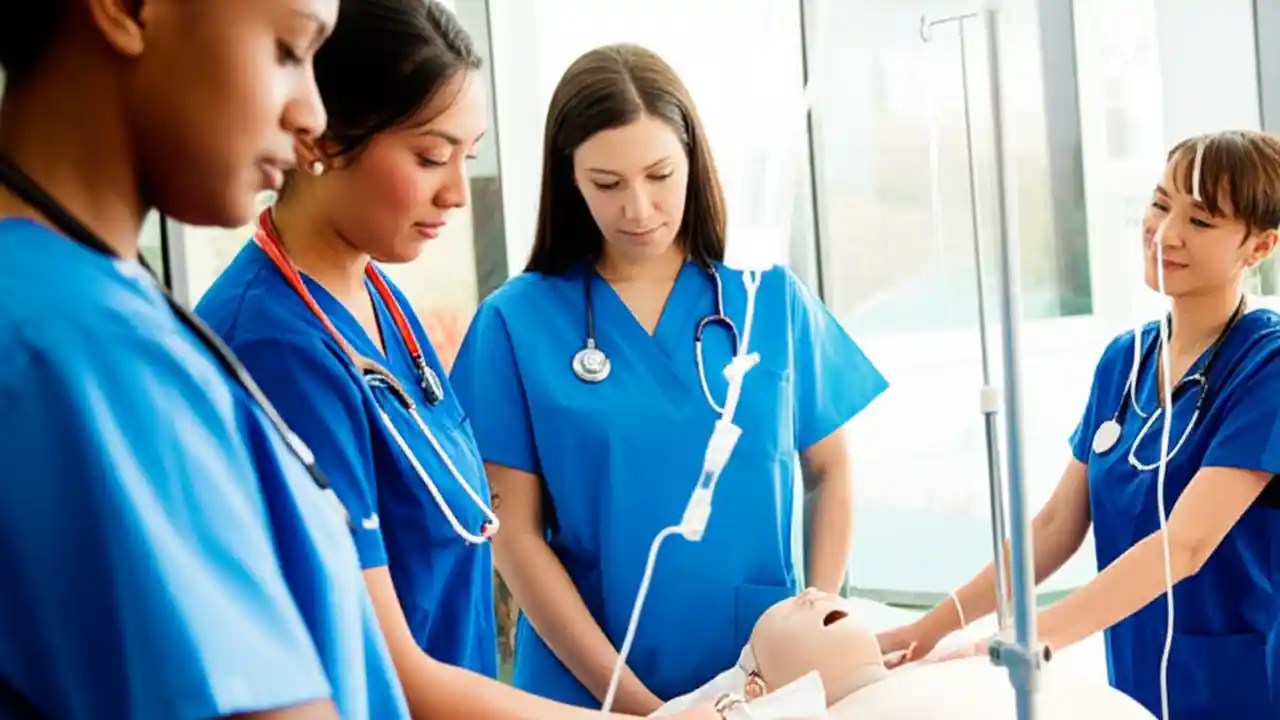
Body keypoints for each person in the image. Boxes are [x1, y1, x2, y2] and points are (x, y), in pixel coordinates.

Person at [195, 4, 718, 720]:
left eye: (467, 159)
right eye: (432, 157)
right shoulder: (274, 347)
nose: (455, 193)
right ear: (323, 134)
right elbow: (390, 669)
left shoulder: (380, 303)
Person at [451, 42, 888, 713]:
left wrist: (816, 627)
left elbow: (829, 471)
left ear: (694, 161)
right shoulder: (515, 324)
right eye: (607, 184)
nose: (639, 207)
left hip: (757, 680)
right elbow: (514, 537)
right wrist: (643, 708)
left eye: (660, 175)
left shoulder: (765, 299)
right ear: (569, 178)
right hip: (585, 690)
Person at [0, 1, 408, 718]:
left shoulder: (83, 309)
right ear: (126, 10)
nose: (312, 114)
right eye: (288, 49)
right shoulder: (82, 351)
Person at [878, 130, 1280, 717]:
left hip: (1240, 688)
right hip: (1135, 685)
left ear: (1260, 246)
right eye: (1161, 204)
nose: (1165, 233)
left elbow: (1187, 544)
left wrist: (1036, 639)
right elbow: (1056, 526)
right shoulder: (1126, 360)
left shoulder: (1265, 366)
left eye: (1201, 220)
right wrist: (928, 629)